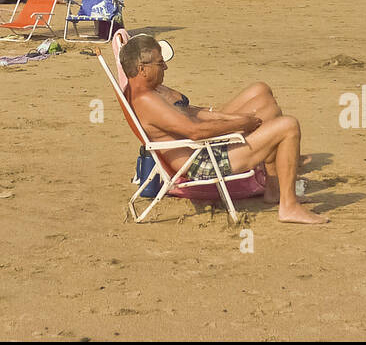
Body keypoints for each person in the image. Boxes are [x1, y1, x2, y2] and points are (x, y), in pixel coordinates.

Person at [121, 34, 327, 225]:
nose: (165, 66)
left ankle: (274, 191)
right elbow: (196, 132)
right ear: (142, 69)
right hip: (201, 162)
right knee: (289, 126)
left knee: (266, 105)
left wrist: (233, 119)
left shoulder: (143, 91)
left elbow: (189, 117)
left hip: (200, 150)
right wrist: (241, 125)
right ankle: (289, 206)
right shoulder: (147, 100)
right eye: (159, 63)